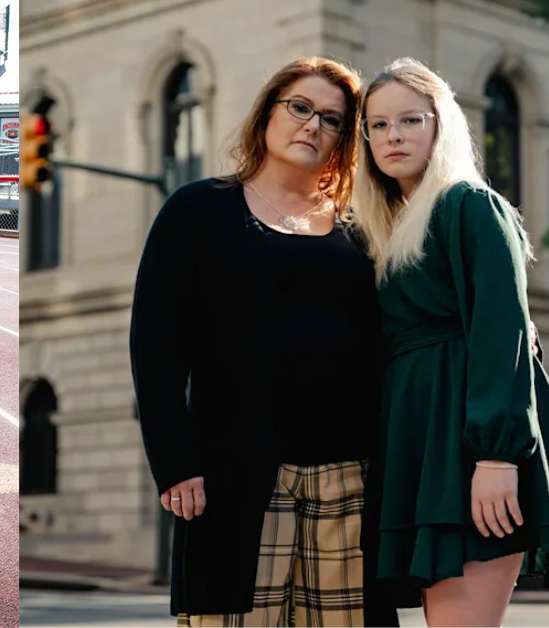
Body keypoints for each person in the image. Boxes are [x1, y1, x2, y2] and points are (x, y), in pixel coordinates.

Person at [131, 56, 397, 627]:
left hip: (352, 476)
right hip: (236, 475)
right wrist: (174, 462)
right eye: (300, 108)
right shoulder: (198, 211)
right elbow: (155, 348)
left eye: (332, 119)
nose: (312, 126)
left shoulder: (365, 229)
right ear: (267, 114)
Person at [350, 57, 549, 627]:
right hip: (415, 439)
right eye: (379, 125)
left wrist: (497, 455)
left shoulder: (470, 206)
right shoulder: (380, 226)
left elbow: (500, 332)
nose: (394, 136)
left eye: (409, 120)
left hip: (471, 442)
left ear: (441, 124)